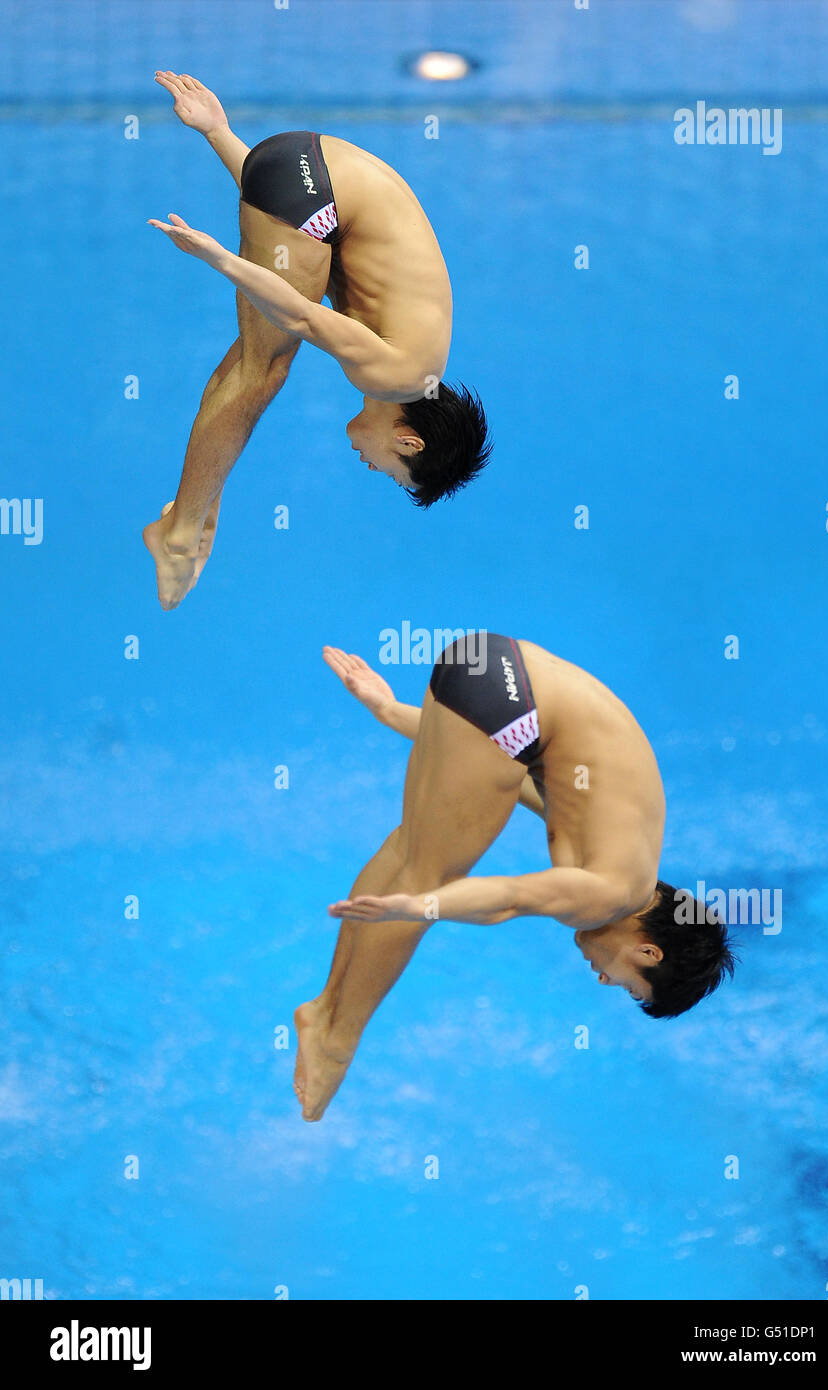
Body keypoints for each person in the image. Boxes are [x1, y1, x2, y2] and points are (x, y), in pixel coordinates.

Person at [293, 638, 735, 1121]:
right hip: (508, 704)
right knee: (424, 875)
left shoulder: (628, 849)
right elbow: (510, 897)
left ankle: (325, 1009)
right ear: (649, 952)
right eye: (630, 986)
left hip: (486, 665)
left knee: (408, 850)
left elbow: (491, 769)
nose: (605, 979)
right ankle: (336, 1041)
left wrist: (389, 710)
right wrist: (423, 905)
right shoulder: (612, 897)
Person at [144, 72, 491, 610]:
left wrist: (218, 133)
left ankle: (197, 513)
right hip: (308, 191)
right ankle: (180, 534)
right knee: (264, 369)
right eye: (392, 474)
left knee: (254, 356)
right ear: (409, 442)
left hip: (304, 165)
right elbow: (303, 314)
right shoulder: (393, 374)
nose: (371, 468)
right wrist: (219, 259)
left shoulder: (421, 357)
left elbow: (300, 232)